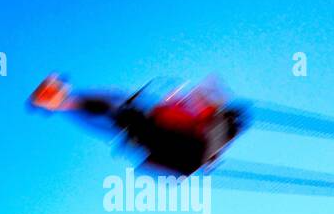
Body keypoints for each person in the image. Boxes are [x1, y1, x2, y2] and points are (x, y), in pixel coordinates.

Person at [29, 74, 244, 174]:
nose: (60, 89)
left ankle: (202, 133)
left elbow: (113, 108)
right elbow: (110, 111)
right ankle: (201, 138)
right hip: (149, 128)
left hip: (150, 126)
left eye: (55, 88)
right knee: (150, 124)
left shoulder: (83, 102)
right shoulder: (81, 104)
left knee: (157, 119)